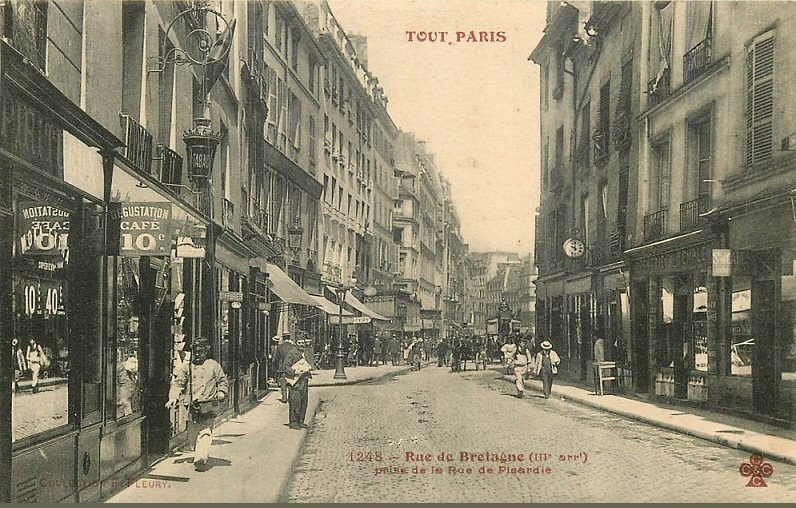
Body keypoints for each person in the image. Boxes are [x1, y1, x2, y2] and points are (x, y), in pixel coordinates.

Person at [166, 336, 229, 471]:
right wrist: (173, 397)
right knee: (193, 435)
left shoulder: (213, 365)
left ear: (206, 351)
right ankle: (199, 451)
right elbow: (178, 383)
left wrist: (221, 392)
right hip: (192, 407)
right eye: (196, 351)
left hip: (207, 405)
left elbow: (223, 381)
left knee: (205, 432)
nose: (198, 354)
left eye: (201, 351)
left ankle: (200, 459)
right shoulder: (187, 367)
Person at [278, 336, 312, 430]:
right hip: (295, 381)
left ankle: (301, 421)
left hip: (304, 380)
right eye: (300, 343)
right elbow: (285, 366)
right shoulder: (292, 353)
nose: (302, 344)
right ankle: (293, 422)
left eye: (303, 342)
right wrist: (294, 372)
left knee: (304, 402)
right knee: (295, 402)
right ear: (296, 343)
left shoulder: (306, 353)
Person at [272, 334, 291, 403]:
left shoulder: (280, 347)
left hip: (283, 367)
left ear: (283, 338)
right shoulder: (293, 347)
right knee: (291, 382)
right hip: (291, 367)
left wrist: (276, 367)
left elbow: (277, 358)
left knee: (283, 383)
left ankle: (284, 398)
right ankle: (291, 396)